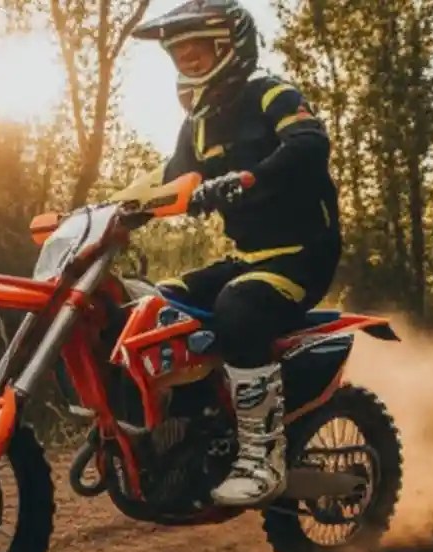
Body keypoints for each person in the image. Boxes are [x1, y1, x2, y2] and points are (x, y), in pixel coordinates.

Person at [130, 0, 342, 507]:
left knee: (239, 309)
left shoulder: (270, 92)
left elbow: (310, 143)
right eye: (180, 54)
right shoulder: (199, 124)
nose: (189, 61)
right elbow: (169, 180)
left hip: (301, 255)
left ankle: (262, 458)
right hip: (252, 259)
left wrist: (250, 177)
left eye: (199, 50)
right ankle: (193, 429)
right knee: (161, 303)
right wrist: (103, 208)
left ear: (229, 47)